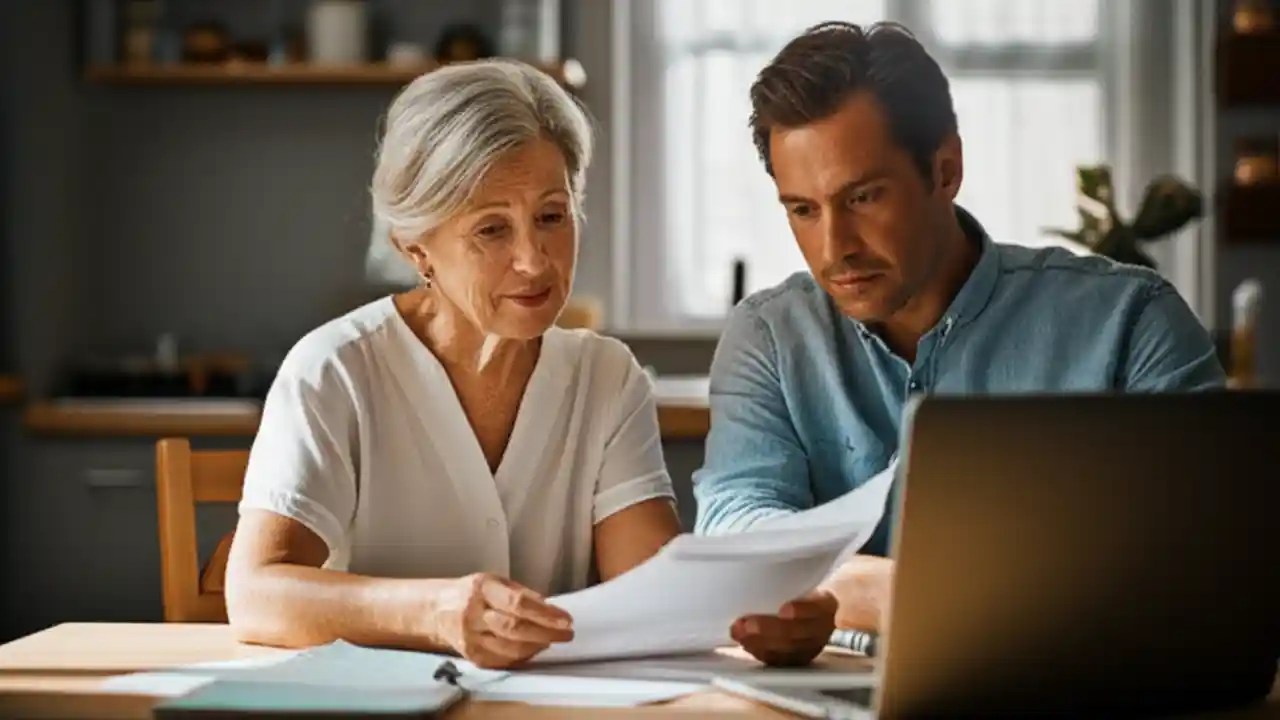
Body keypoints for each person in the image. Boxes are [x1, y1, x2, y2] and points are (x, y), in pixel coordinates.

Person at [224, 59, 827, 669]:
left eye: (551, 217)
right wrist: (437, 612)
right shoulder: (335, 370)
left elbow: (654, 598)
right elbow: (255, 595)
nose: (535, 261)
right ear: (415, 248)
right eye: (491, 230)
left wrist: (762, 614)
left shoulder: (607, 377)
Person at [694, 22, 1226, 643]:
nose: (834, 249)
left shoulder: (1133, 322)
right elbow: (736, 528)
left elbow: (1207, 555)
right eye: (803, 210)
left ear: (945, 170)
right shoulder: (768, 337)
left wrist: (856, 593)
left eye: (863, 197)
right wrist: (886, 596)